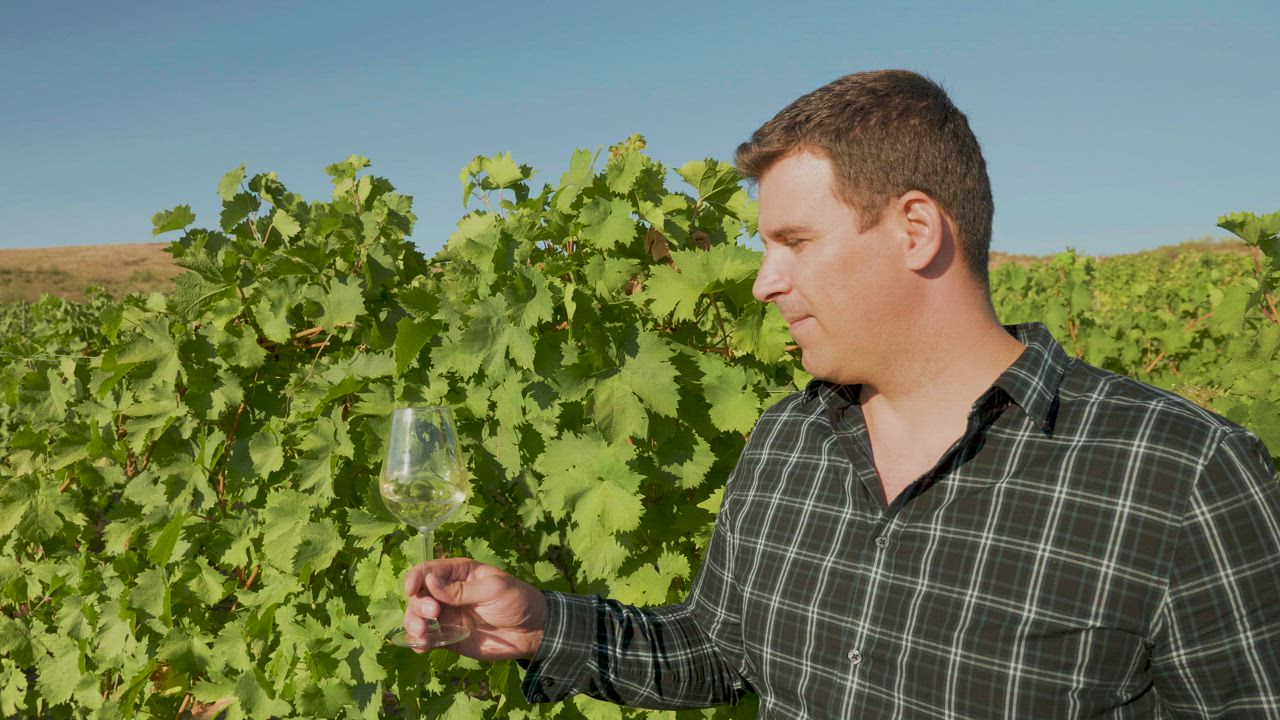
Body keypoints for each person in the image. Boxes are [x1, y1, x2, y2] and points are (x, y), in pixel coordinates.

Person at [403, 69, 1280, 717]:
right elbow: (717, 648)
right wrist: (544, 625)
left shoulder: (1183, 477)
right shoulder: (788, 439)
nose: (763, 283)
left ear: (914, 229)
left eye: (794, 241)